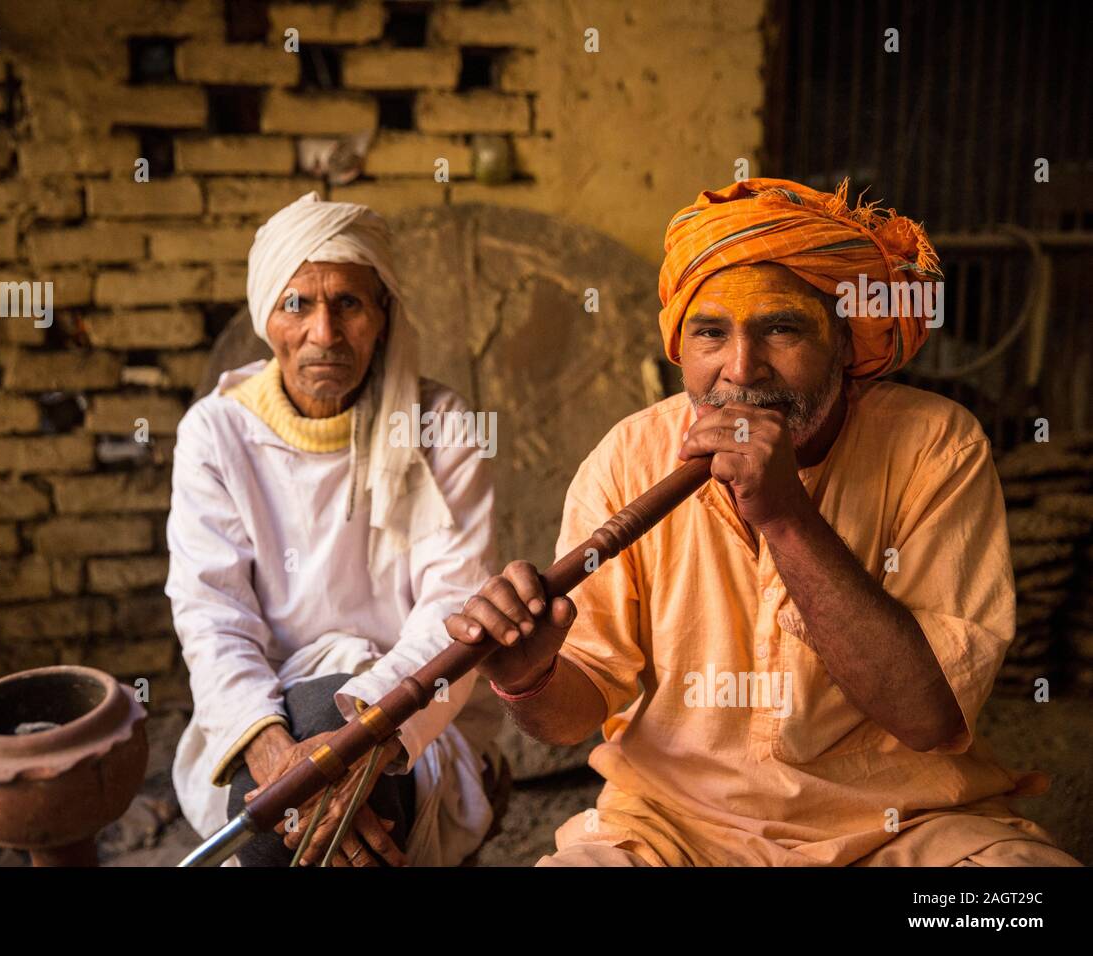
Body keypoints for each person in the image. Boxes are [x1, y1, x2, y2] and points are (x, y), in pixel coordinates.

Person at [447, 178, 1081, 867]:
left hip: (905, 831)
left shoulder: (937, 446)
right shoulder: (629, 458)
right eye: (711, 333)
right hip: (674, 833)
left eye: (781, 328)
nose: (741, 369)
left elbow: (927, 717)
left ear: (844, 344)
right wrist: (527, 677)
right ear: (679, 348)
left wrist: (786, 516)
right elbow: (572, 713)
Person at [167, 192, 504, 867]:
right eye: (298, 304)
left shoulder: (440, 424)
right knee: (288, 815)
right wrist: (275, 753)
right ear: (268, 317)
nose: (324, 332)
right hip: (267, 710)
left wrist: (362, 743)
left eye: (348, 303)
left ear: (381, 316)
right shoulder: (217, 432)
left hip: (413, 711)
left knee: (329, 805)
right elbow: (213, 618)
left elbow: (452, 612)